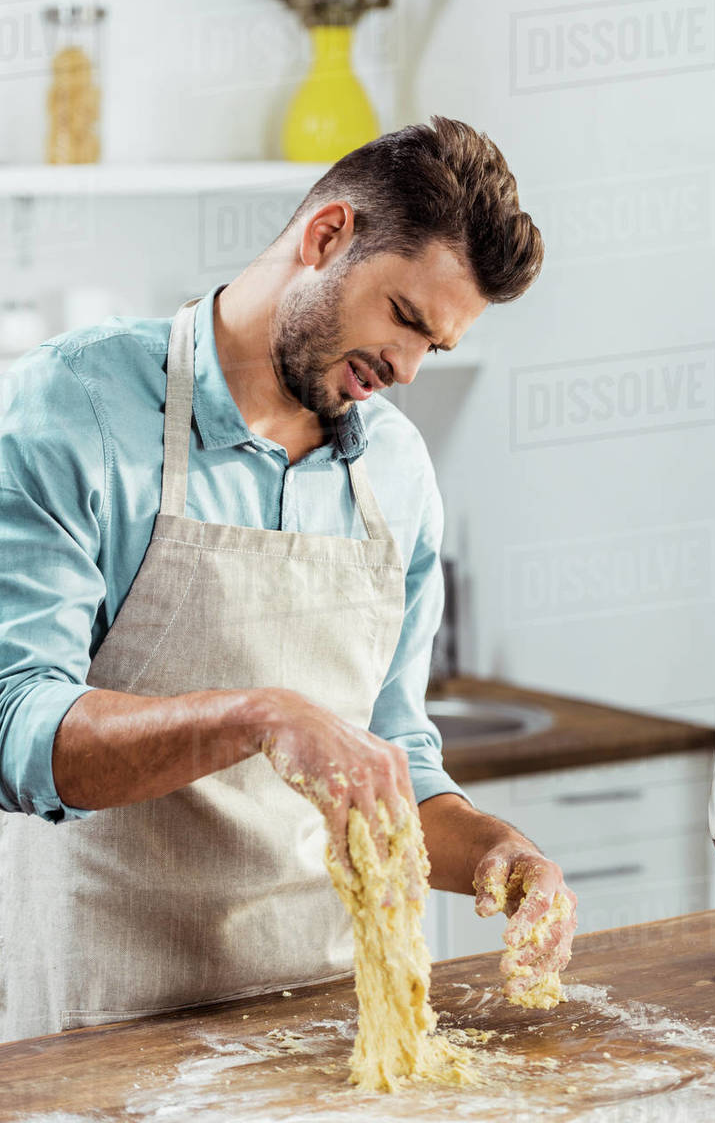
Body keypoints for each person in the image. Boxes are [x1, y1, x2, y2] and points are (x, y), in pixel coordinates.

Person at [0, 115, 576, 1043]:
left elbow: (397, 757)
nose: (408, 369)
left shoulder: (395, 468)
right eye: (404, 319)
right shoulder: (77, 406)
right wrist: (258, 717)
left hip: (318, 1020)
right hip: (98, 1016)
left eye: (438, 347)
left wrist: (496, 854)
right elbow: (18, 727)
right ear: (325, 237)